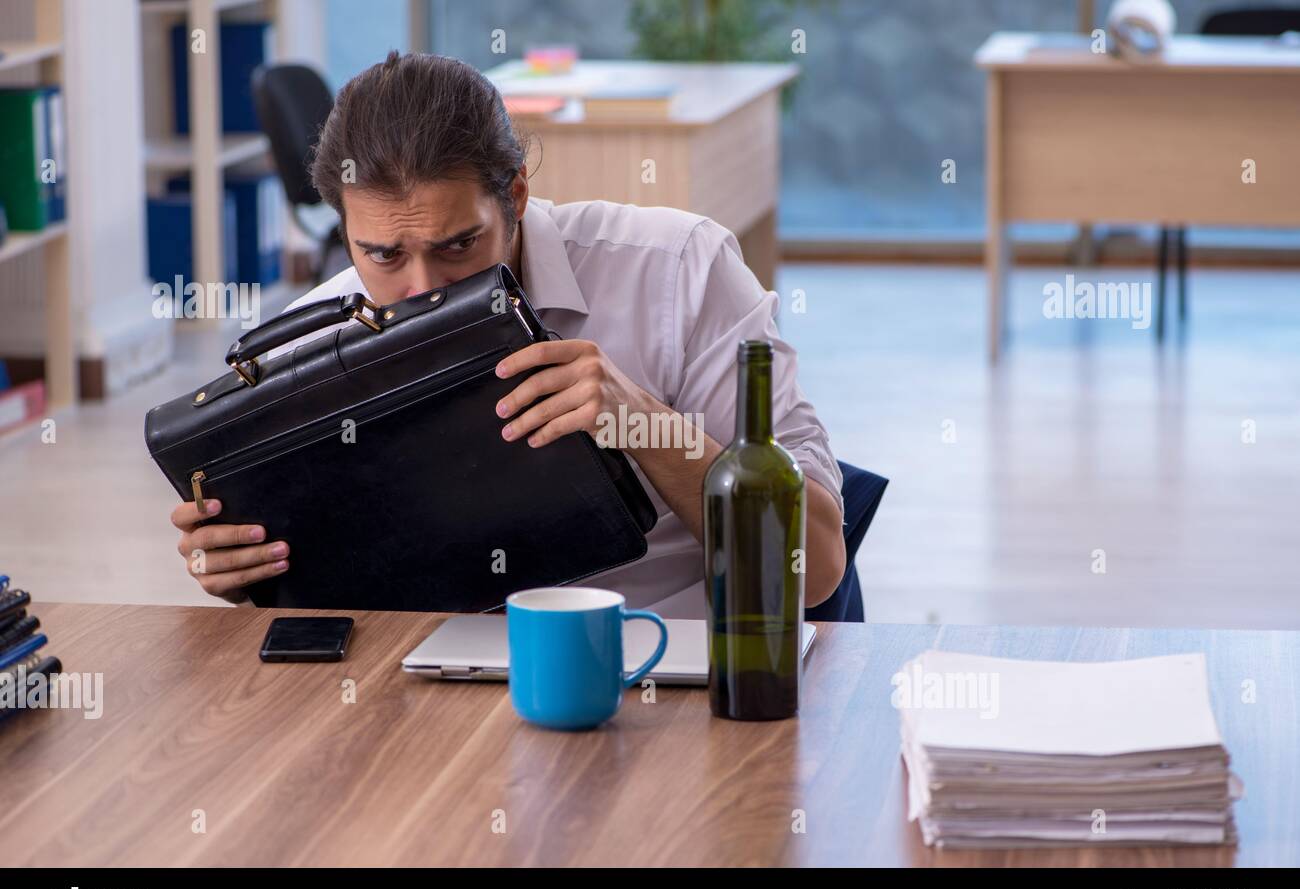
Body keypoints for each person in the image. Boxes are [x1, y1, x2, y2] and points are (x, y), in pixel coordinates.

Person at [170, 52, 845, 618]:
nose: (424, 288)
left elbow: (812, 567)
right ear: (344, 230)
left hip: (662, 675)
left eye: (459, 244)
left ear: (517, 196)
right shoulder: (300, 350)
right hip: (413, 691)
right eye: (382, 255)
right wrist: (247, 571)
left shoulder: (680, 271)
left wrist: (643, 423)